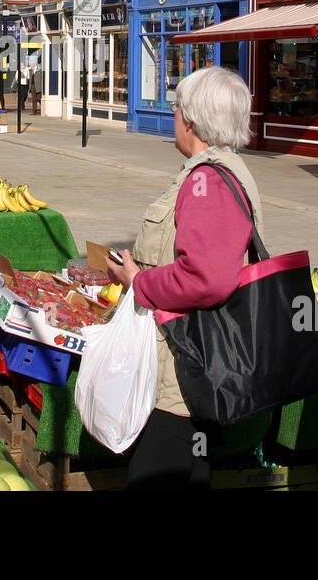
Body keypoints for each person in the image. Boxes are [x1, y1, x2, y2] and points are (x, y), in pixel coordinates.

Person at [104, 66, 267, 489]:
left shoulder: (207, 180)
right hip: (193, 365)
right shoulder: (217, 170)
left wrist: (137, 280)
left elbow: (206, 278)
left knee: (158, 474)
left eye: (176, 107)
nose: (174, 115)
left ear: (191, 119)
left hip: (185, 370)